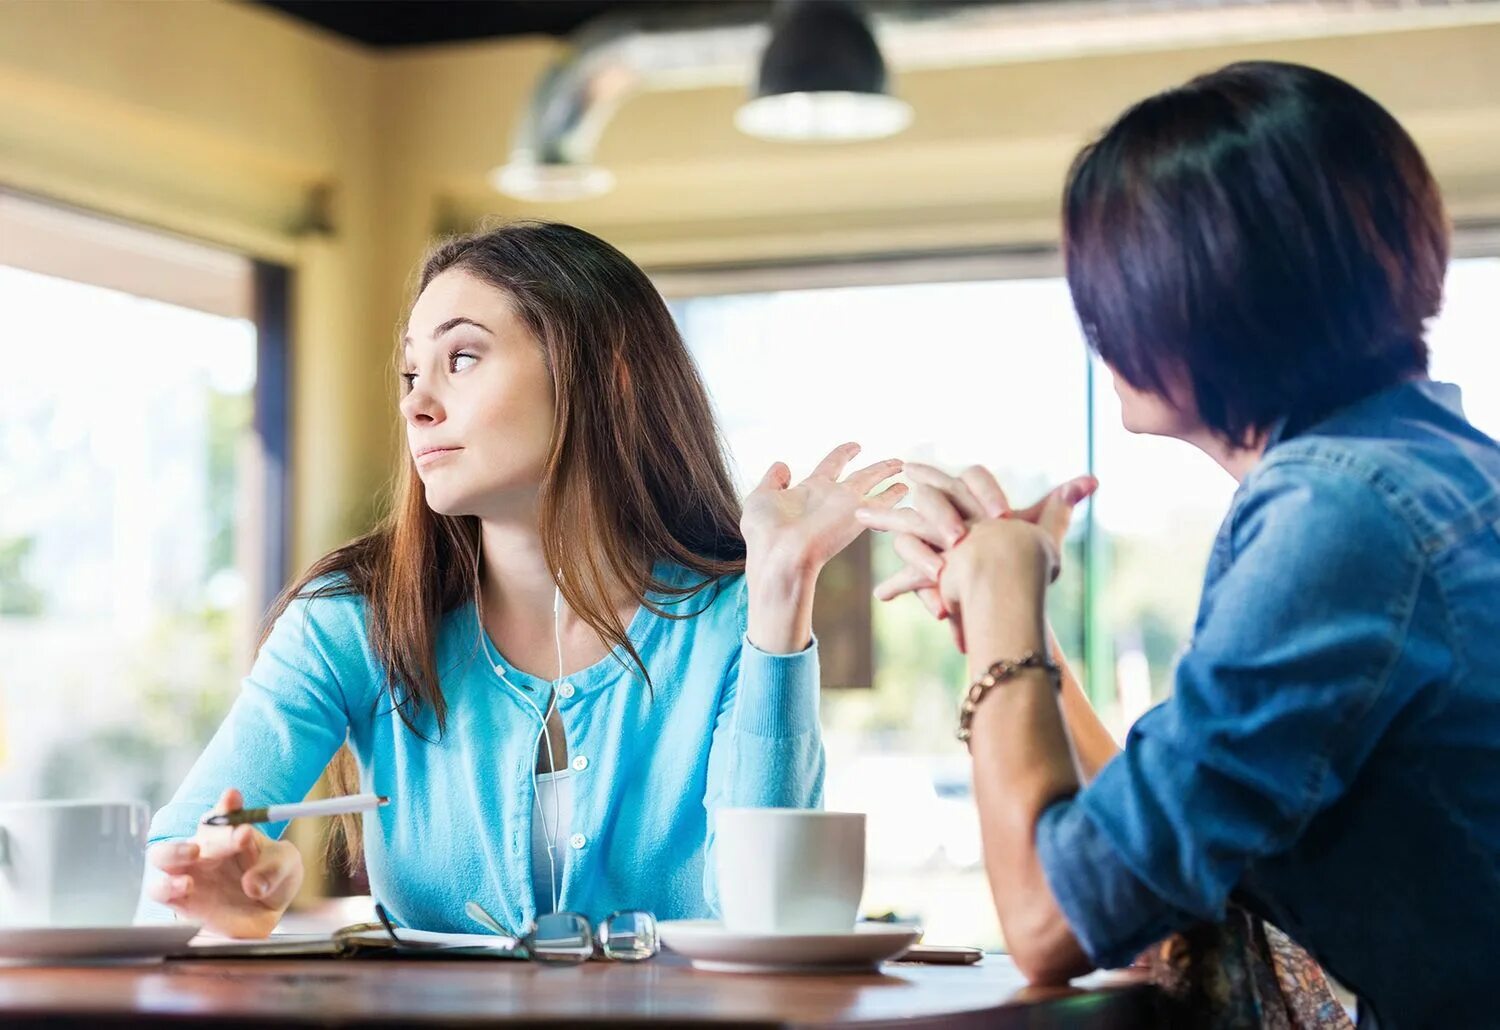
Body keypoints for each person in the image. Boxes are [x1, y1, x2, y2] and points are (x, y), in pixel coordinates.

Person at [860, 62, 1496, 1027]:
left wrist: (998, 602)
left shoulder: (1336, 517)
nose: (1097, 325)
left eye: (1111, 285)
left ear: (1209, 290)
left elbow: (1050, 918)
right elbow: (1155, 840)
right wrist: (1021, 630)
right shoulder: (1431, 475)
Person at [145, 221, 905, 939]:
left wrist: (779, 596)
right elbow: (186, 845)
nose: (416, 401)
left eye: (462, 358)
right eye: (411, 371)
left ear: (607, 374)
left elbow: (769, 916)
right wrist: (218, 880)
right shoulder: (352, 620)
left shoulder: (735, 622)